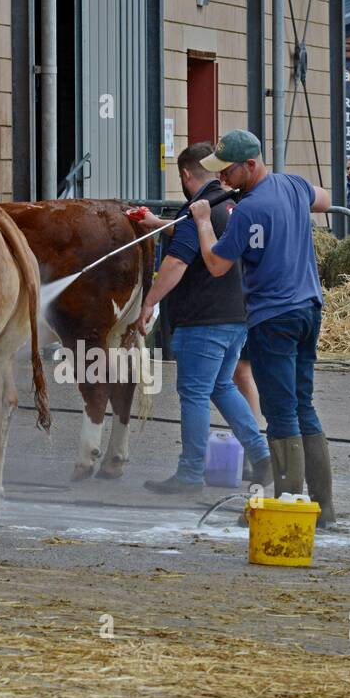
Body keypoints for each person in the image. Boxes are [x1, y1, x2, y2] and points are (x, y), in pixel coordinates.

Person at [187, 128, 336, 525]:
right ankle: (323, 508)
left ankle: (286, 507)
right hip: (308, 309)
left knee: (280, 412)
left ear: (250, 165)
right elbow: (327, 199)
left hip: (273, 317)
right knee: (304, 405)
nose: (221, 180)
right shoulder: (293, 185)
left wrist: (204, 220)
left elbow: (217, 264)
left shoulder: (249, 210)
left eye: (228, 173)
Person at [129, 143, 272, 495]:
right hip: (237, 316)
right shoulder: (227, 205)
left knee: (193, 394)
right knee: (222, 386)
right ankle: (264, 456)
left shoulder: (198, 211)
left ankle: (191, 473)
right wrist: (157, 223)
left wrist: (148, 303)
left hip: (203, 320)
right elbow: (195, 233)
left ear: (185, 175)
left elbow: (177, 263)